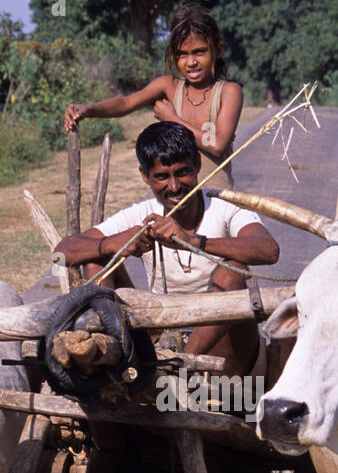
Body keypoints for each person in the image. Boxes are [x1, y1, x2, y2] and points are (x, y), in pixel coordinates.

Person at [54, 121, 278, 379]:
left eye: (182, 172)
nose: (174, 187)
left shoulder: (225, 209)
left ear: (197, 164)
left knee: (235, 269)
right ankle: (121, 357)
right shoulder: (141, 215)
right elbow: (60, 254)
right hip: (159, 339)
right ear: (144, 175)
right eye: (161, 177)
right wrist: (117, 243)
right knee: (96, 259)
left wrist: (195, 242)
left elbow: (269, 251)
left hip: (228, 356)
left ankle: (177, 371)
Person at [64, 2, 242, 185]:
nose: (191, 62)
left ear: (218, 50)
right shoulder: (168, 86)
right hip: (174, 200)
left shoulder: (228, 92)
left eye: (199, 52)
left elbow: (218, 144)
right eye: (182, 54)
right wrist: (88, 109)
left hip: (217, 203)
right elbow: (125, 103)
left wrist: (173, 119)